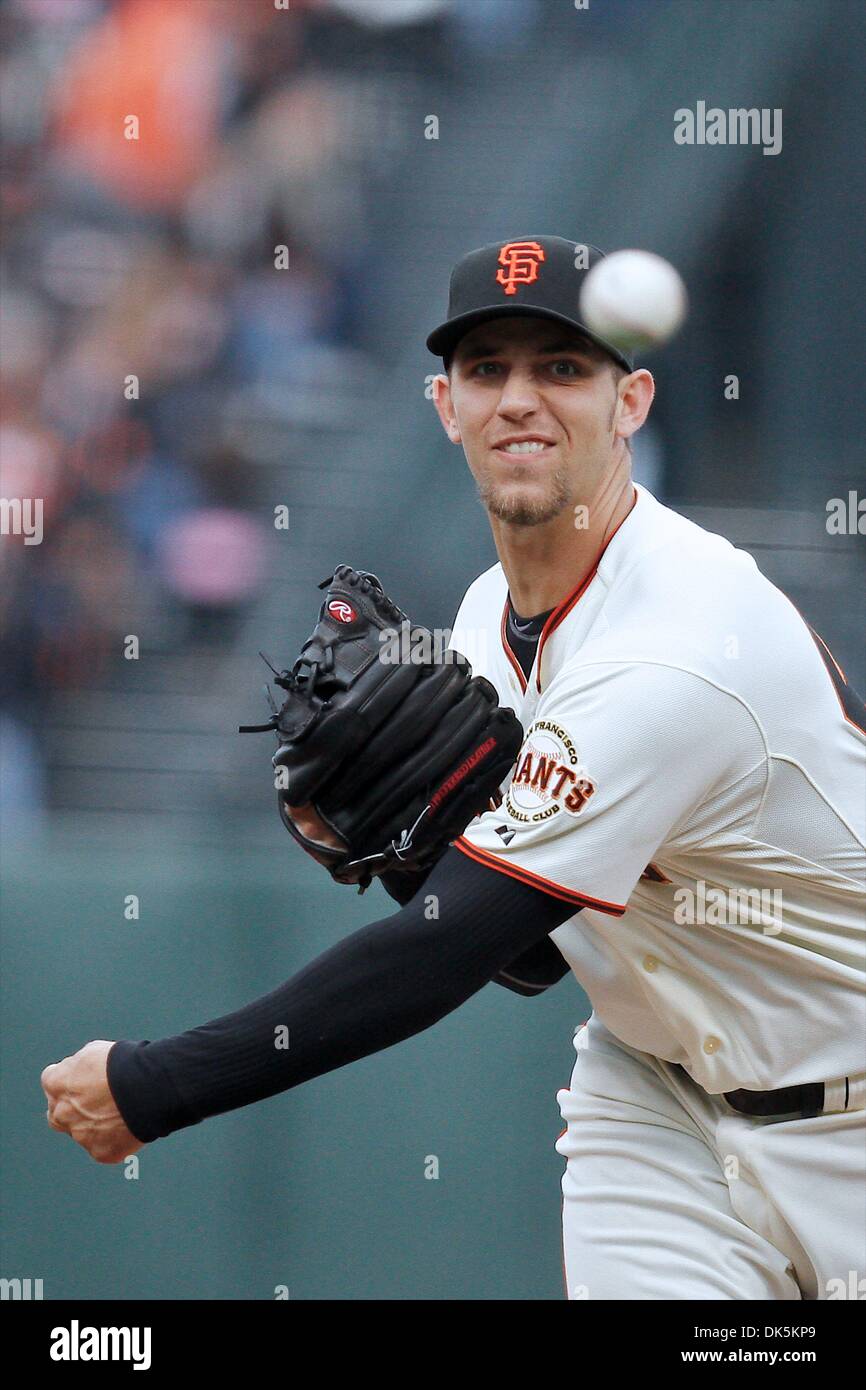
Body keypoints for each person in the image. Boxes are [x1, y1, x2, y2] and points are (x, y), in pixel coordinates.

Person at [42, 236, 866, 1301]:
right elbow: (531, 960)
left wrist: (154, 1084)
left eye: (562, 368)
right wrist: (408, 848)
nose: (519, 398)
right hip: (654, 1109)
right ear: (444, 404)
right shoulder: (485, 620)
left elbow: (441, 953)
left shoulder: (676, 643)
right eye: (488, 370)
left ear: (631, 402)